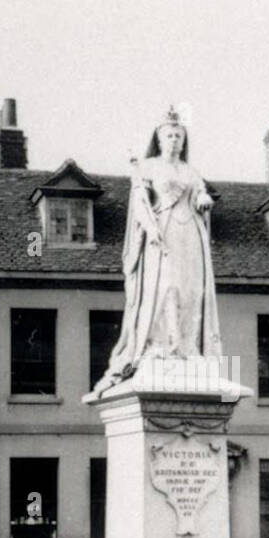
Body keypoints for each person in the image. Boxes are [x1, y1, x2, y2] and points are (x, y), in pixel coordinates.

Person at [92, 107, 222, 394]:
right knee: (167, 287)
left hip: (191, 234)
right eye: (169, 135)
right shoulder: (147, 166)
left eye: (178, 135)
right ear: (159, 139)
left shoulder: (191, 171)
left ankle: (188, 347)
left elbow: (201, 193)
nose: (174, 139)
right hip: (163, 231)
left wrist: (202, 197)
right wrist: (150, 229)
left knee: (192, 291)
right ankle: (162, 346)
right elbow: (140, 202)